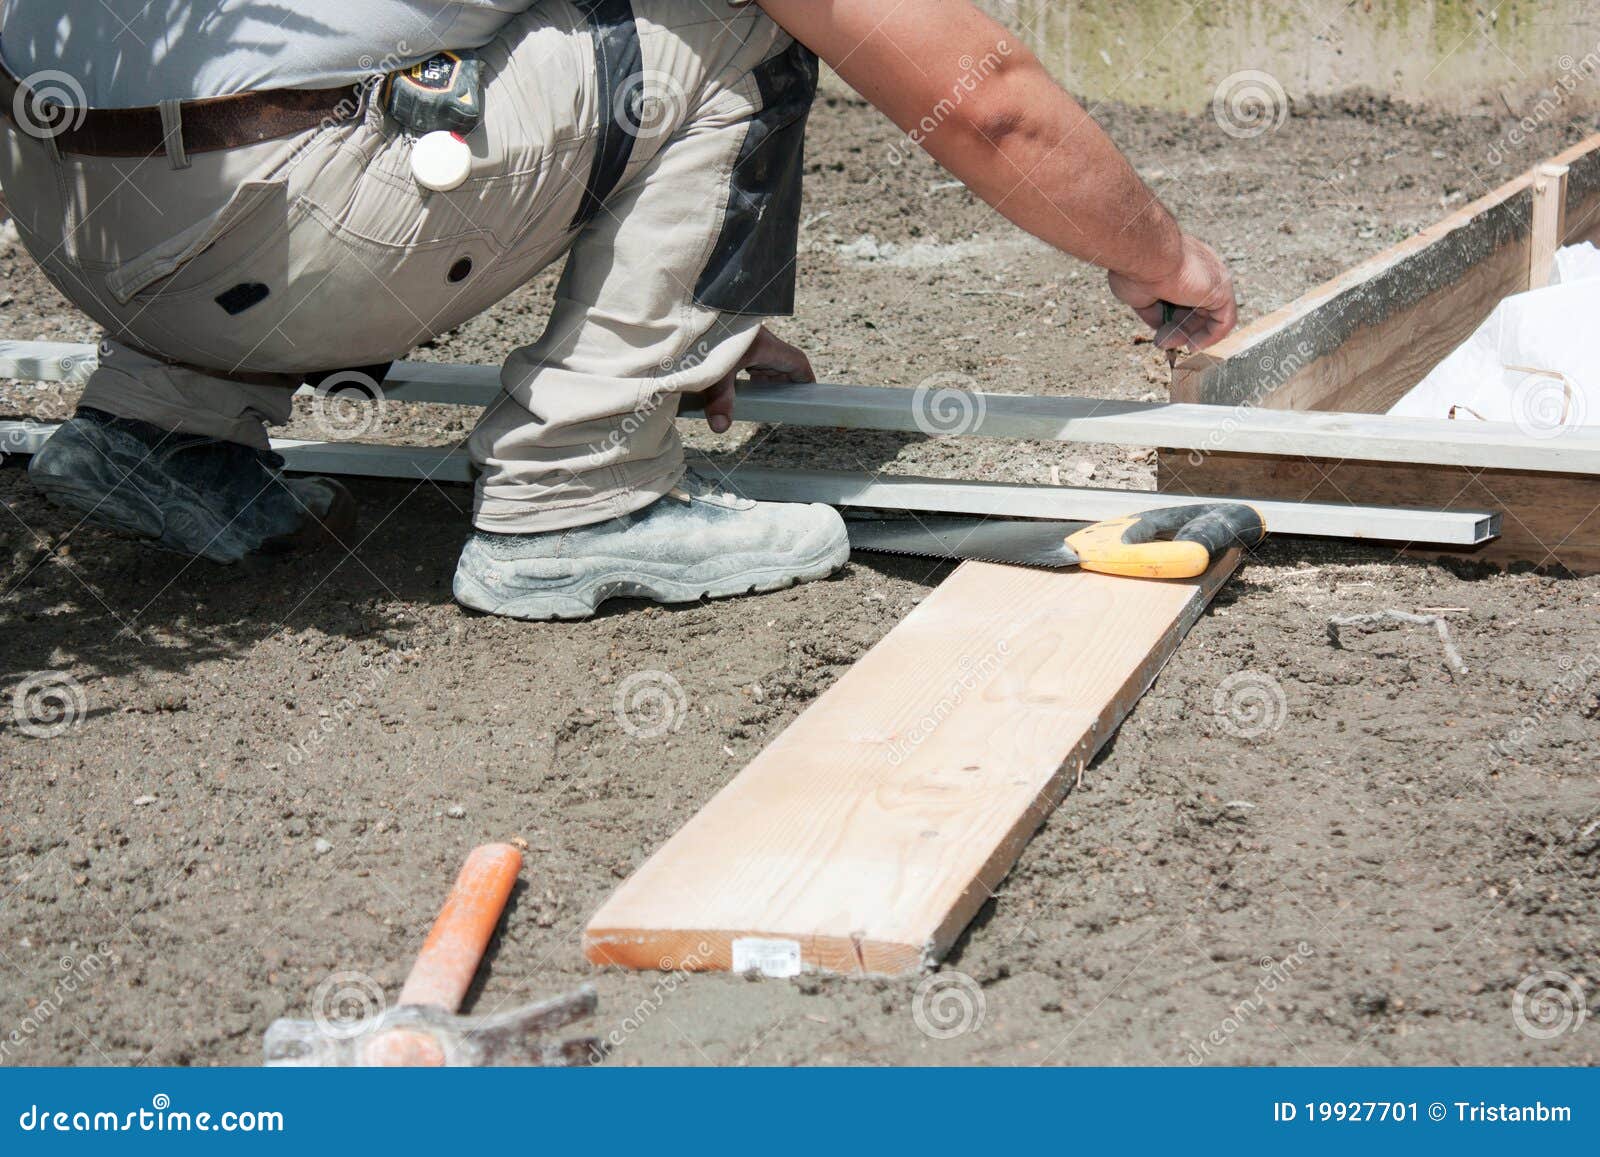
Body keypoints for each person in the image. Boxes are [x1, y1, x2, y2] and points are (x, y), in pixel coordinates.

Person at [0, 0, 1236, 619]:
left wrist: (715, 303)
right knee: (738, 28)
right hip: (287, 222)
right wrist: (1157, 253)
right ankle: (577, 496)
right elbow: (985, 104)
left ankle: (157, 426)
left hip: (71, 207)